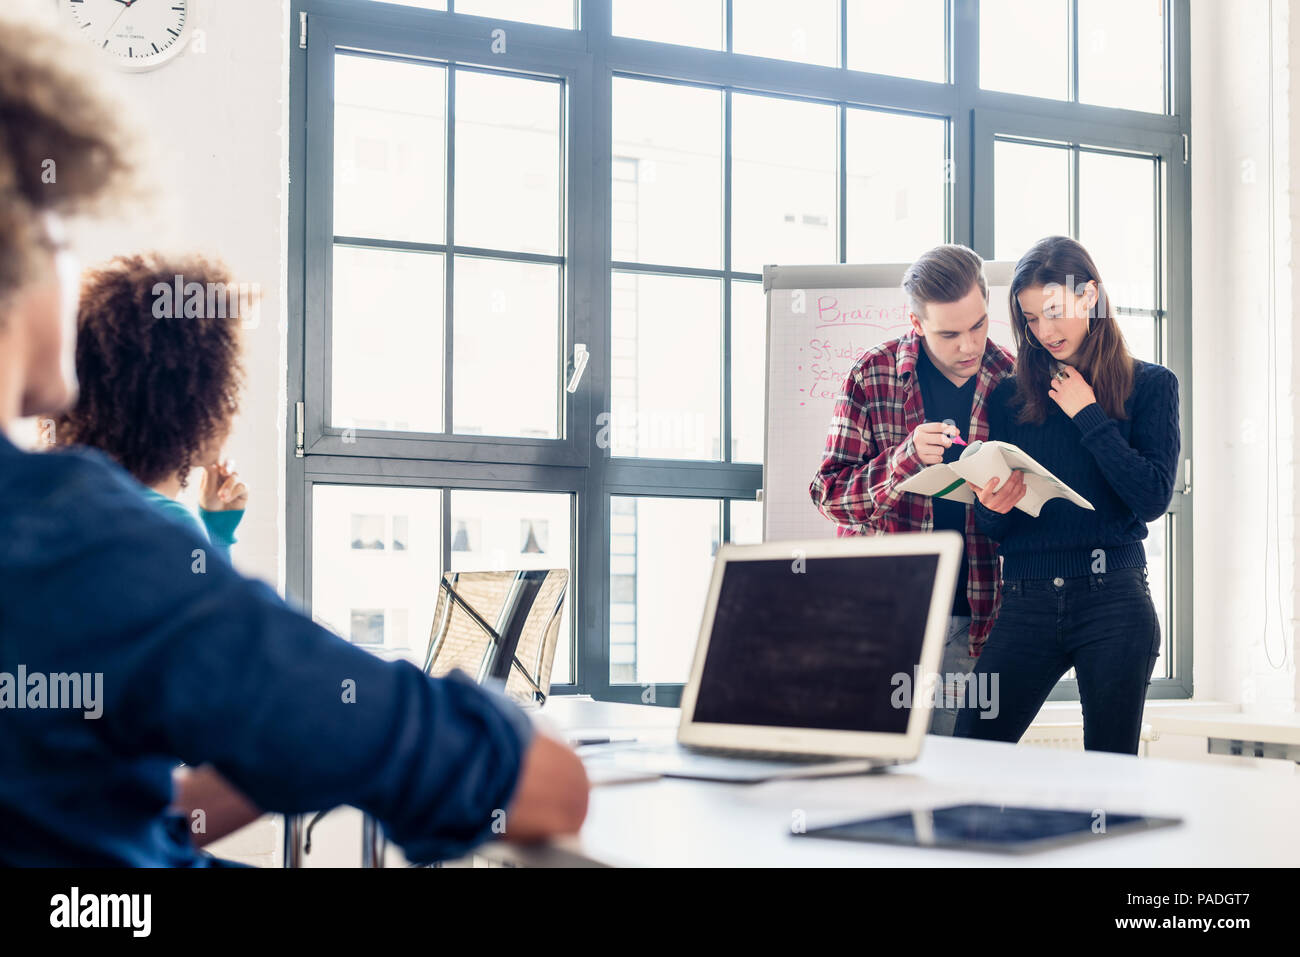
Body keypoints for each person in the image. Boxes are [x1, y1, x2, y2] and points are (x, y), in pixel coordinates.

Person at [0, 12, 587, 866]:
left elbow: (88, 801)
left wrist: (297, 724)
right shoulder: (69, 539)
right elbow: (548, 784)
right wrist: (350, 710)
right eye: (61, 230)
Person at [953, 236, 1180, 754]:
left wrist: (1088, 415)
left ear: (1090, 297)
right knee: (970, 747)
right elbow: (998, 529)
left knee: (1109, 775)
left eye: (1053, 311)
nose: (1044, 331)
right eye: (1030, 319)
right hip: (1027, 600)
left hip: (1114, 599)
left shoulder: (1151, 385)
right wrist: (993, 505)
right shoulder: (1010, 397)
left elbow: (1150, 498)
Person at [809, 244, 1014, 734]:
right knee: (869, 774)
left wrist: (1007, 498)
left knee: (949, 778)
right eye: (950, 333)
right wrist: (904, 458)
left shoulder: (1011, 377)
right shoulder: (871, 374)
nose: (969, 346)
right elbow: (831, 497)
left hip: (973, 619)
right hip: (881, 615)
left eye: (979, 325)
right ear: (916, 323)